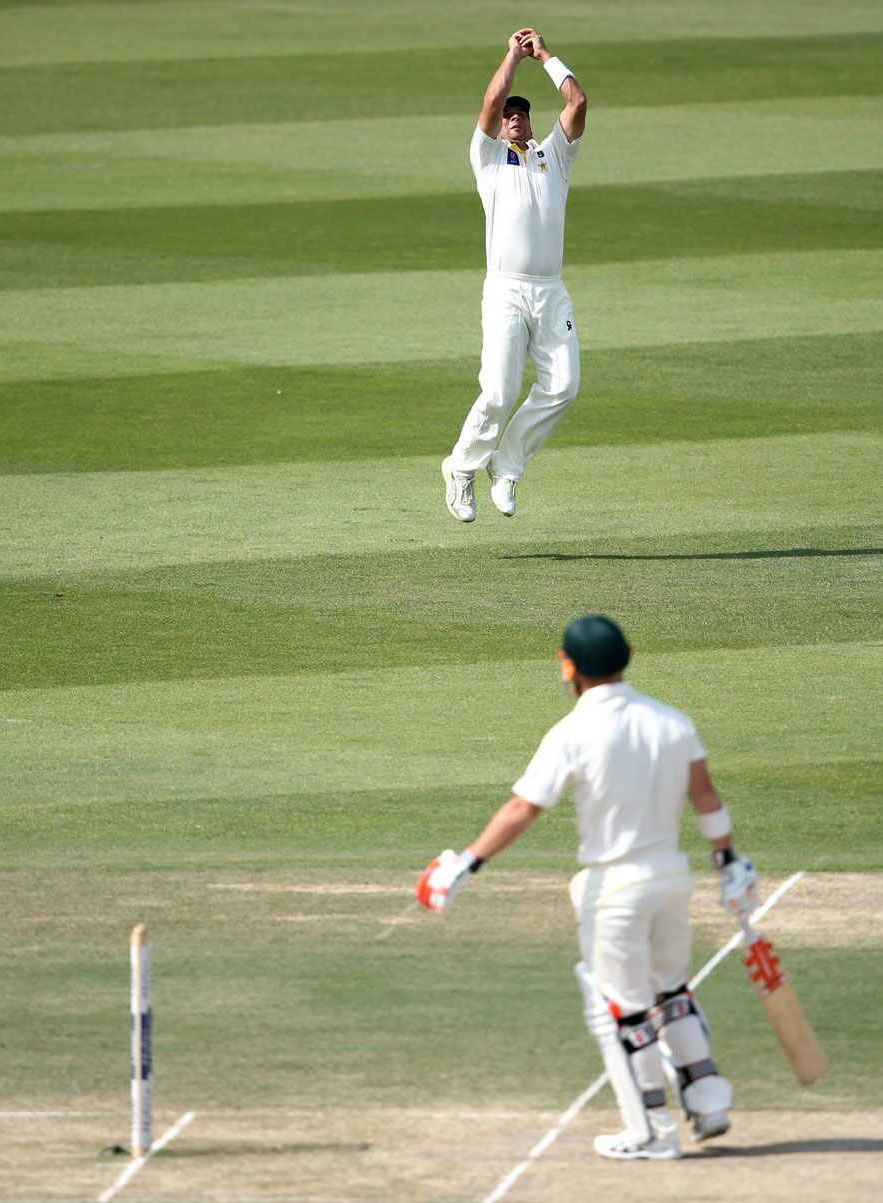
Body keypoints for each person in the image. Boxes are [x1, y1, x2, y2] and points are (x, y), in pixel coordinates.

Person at [416, 614, 760, 1161]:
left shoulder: (572, 732)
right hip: (672, 878)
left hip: (614, 887)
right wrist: (729, 862)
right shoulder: (672, 721)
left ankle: (651, 1131)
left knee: (621, 1010)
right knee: (670, 991)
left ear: (568, 665)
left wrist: (467, 864)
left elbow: (524, 808)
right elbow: (707, 800)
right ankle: (708, 1100)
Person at [442, 28, 587, 522]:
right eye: (509, 115)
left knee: (564, 386)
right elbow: (491, 97)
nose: (514, 117)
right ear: (501, 127)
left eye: (521, 112)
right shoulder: (488, 160)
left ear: (529, 120)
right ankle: (461, 469)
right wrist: (512, 55)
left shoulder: (555, 156)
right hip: (505, 289)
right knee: (500, 391)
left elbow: (578, 100)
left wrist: (544, 55)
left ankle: (506, 468)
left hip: (550, 291)